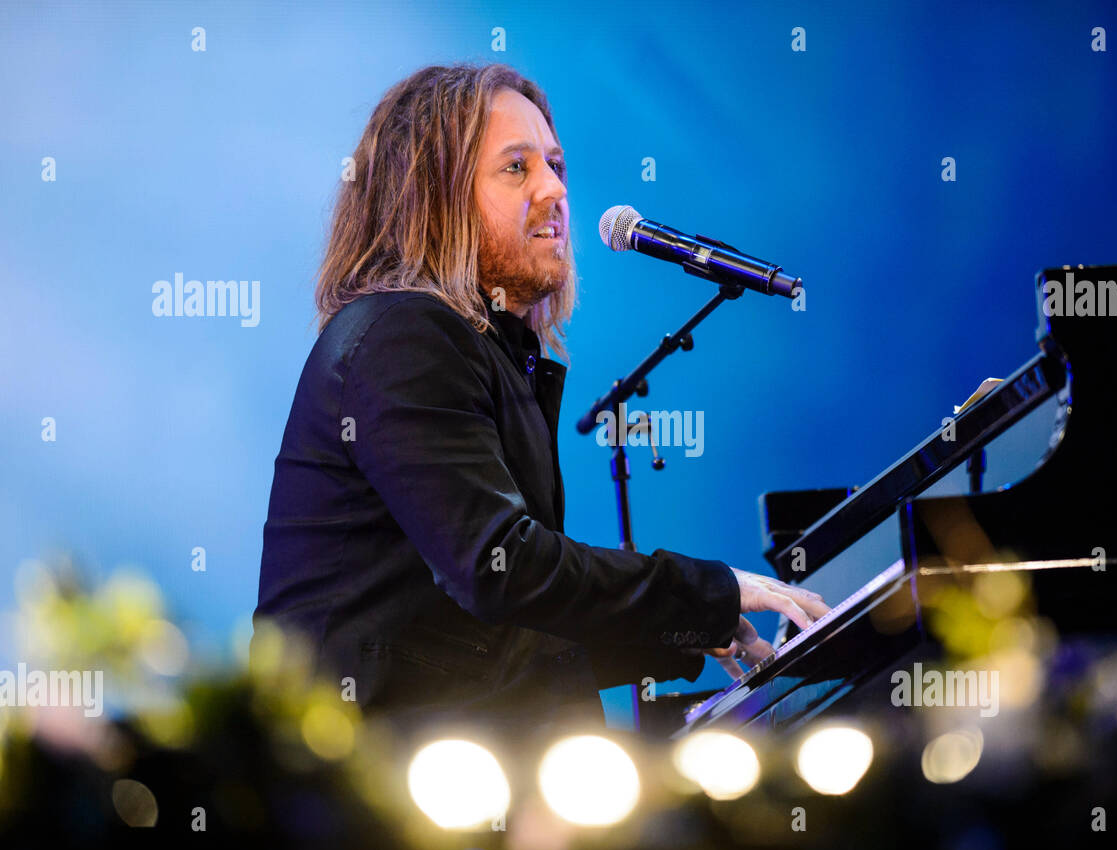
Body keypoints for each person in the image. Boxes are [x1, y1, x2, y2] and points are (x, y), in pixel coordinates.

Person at [253, 63, 829, 738]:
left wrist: (687, 626)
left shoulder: (480, 348)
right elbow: (505, 571)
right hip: (347, 796)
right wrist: (708, 589)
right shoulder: (402, 334)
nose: (556, 189)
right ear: (432, 193)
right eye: (517, 167)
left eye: (555, 164)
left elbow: (498, 633)